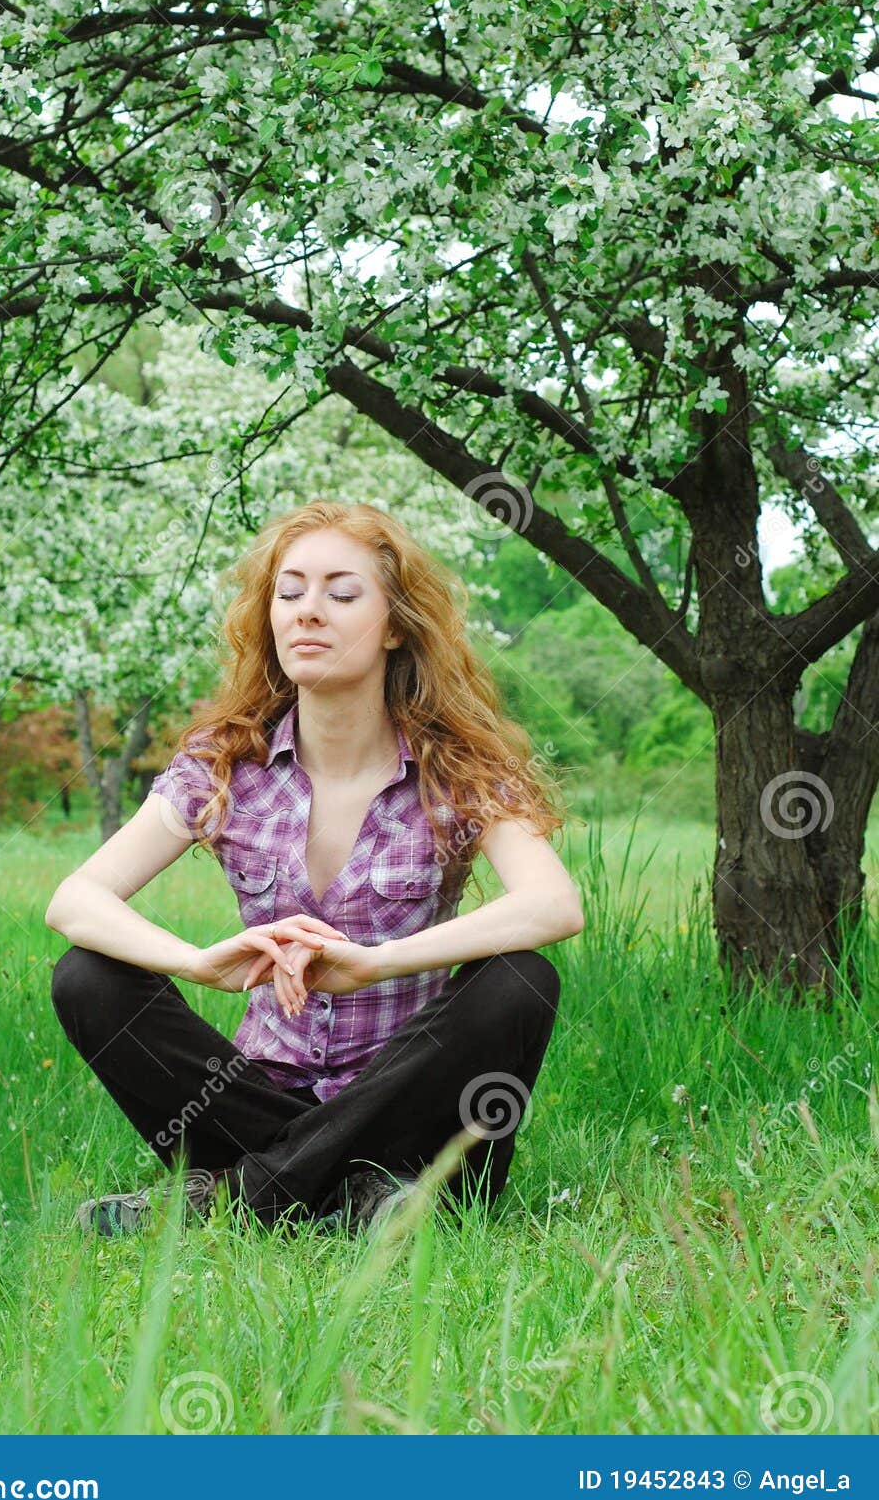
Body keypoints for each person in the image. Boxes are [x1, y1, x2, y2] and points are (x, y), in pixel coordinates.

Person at [47, 499, 584, 1237]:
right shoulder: (224, 762)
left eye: (341, 592)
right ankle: (352, 1195)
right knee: (86, 975)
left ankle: (233, 1203)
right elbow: (76, 900)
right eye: (290, 591)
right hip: (252, 1105)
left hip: (411, 1111)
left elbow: (554, 905)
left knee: (522, 979)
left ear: (394, 624)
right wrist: (200, 963)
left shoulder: (457, 765)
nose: (308, 611)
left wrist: (375, 963)